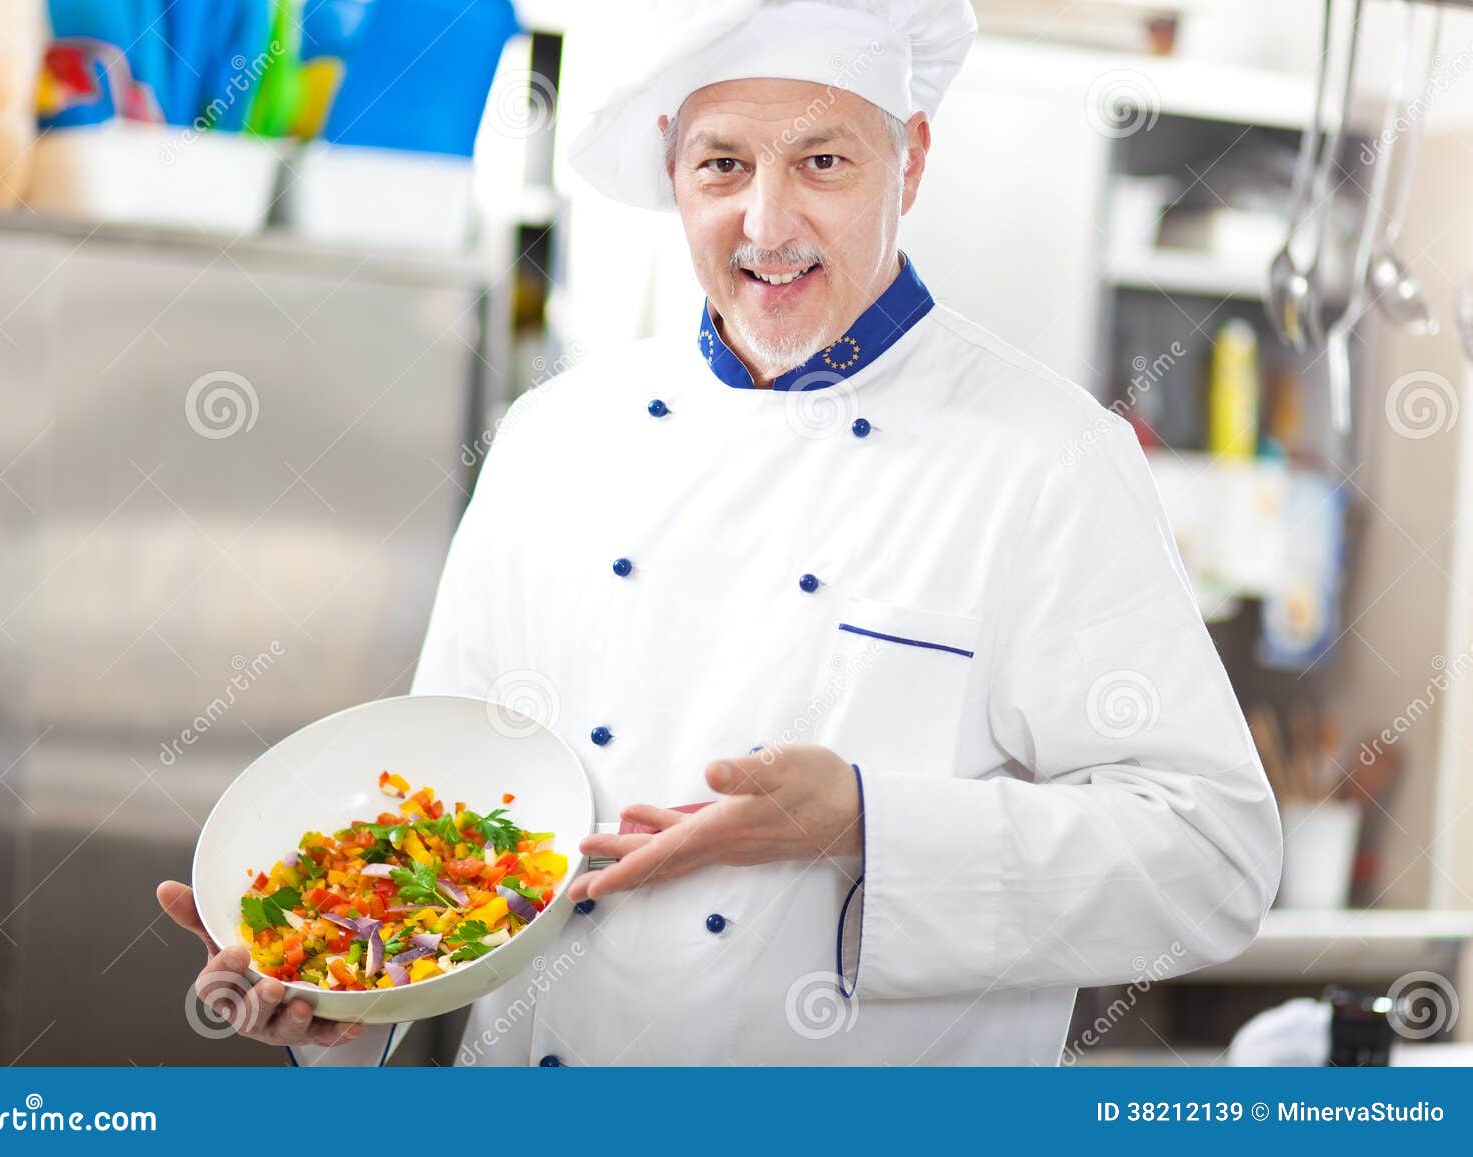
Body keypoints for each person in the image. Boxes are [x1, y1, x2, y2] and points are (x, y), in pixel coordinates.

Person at [159, 0, 1281, 1066]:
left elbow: (1213, 858)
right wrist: (341, 995)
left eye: (822, 162)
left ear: (913, 159)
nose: (767, 222)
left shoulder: (1046, 460)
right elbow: (448, 833)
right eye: (723, 165)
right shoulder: (553, 438)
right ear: (672, 177)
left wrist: (861, 821)